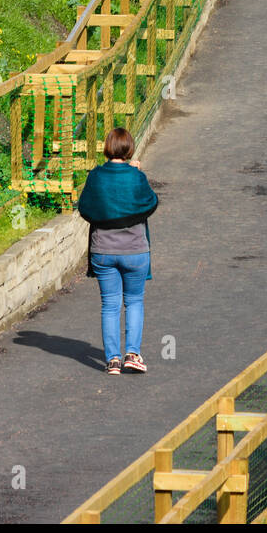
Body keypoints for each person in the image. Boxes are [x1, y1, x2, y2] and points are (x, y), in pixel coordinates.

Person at [76, 127, 158, 375]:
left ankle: (112, 360)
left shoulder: (96, 176)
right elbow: (151, 203)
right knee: (134, 301)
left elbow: (85, 208)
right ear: (130, 149)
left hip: (103, 250)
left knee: (110, 304)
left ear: (107, 148)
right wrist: (137, 174)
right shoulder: (135, 176)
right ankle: (132, 354)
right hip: (135, 250)